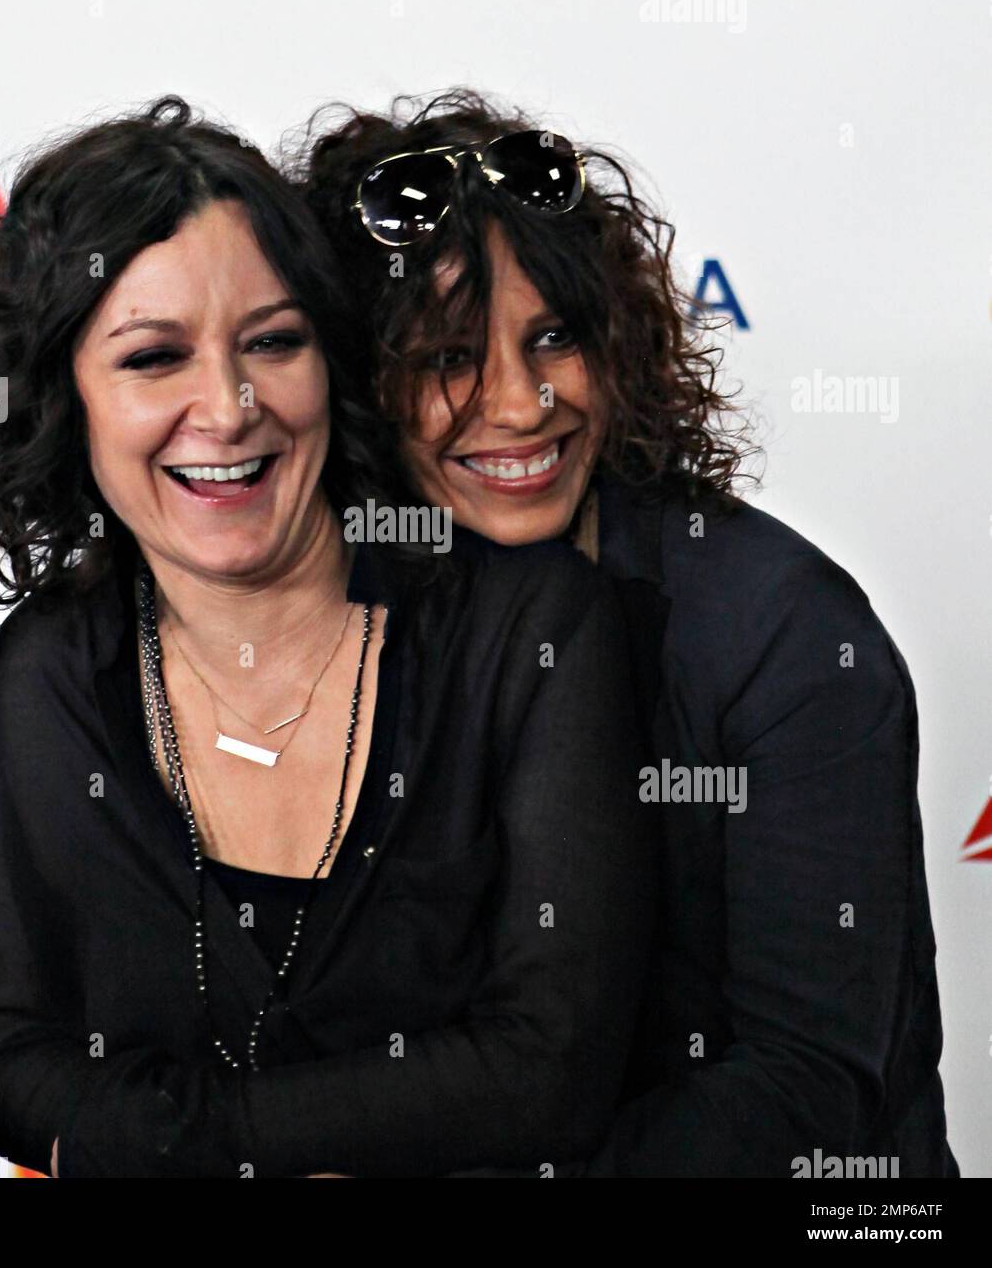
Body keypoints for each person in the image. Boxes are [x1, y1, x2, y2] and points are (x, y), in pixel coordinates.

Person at [0, 95, 657, 1178]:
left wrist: (198, 1143)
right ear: (61, 397)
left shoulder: (530, 632)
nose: (226, 411)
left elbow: (543, 1077)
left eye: (272, 342)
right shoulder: (52, 668)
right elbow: (13, 1057)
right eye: (152, 359)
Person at [295, 88, 959, 1177]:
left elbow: (813, 1084)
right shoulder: (341, 611)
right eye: (452, 358)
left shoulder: (785, 631)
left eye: (556, 336)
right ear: (359, 385)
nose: (522, 404)